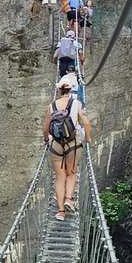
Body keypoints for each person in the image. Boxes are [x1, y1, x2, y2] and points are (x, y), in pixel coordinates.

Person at [42, 77, 92, 221]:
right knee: (71, 173)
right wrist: (88, 138)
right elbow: (86, 122)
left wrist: (47, 139)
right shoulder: (76, 103)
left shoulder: (52, 106)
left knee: (60, 177)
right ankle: (68, 199)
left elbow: (46, 127)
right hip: (73, 144)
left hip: (56, 144)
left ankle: (61, 212)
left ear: (58, 90)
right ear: (70, 91)